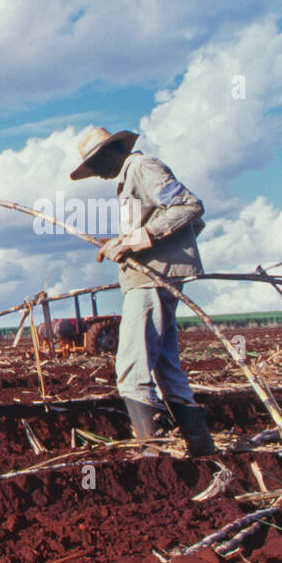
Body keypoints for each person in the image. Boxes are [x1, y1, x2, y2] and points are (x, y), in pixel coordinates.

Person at [70, 126, 216, 456]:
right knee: (166, 368)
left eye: (96, 166)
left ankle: (154, 453)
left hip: (151, 282)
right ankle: (202, 450)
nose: (98, 175)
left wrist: (135, 242)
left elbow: (189, 207)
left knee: (131, 370)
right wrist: (123, 243)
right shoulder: (129, 178)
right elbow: (183, 222)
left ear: (108, 152)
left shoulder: (141, 167)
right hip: (153, 277)